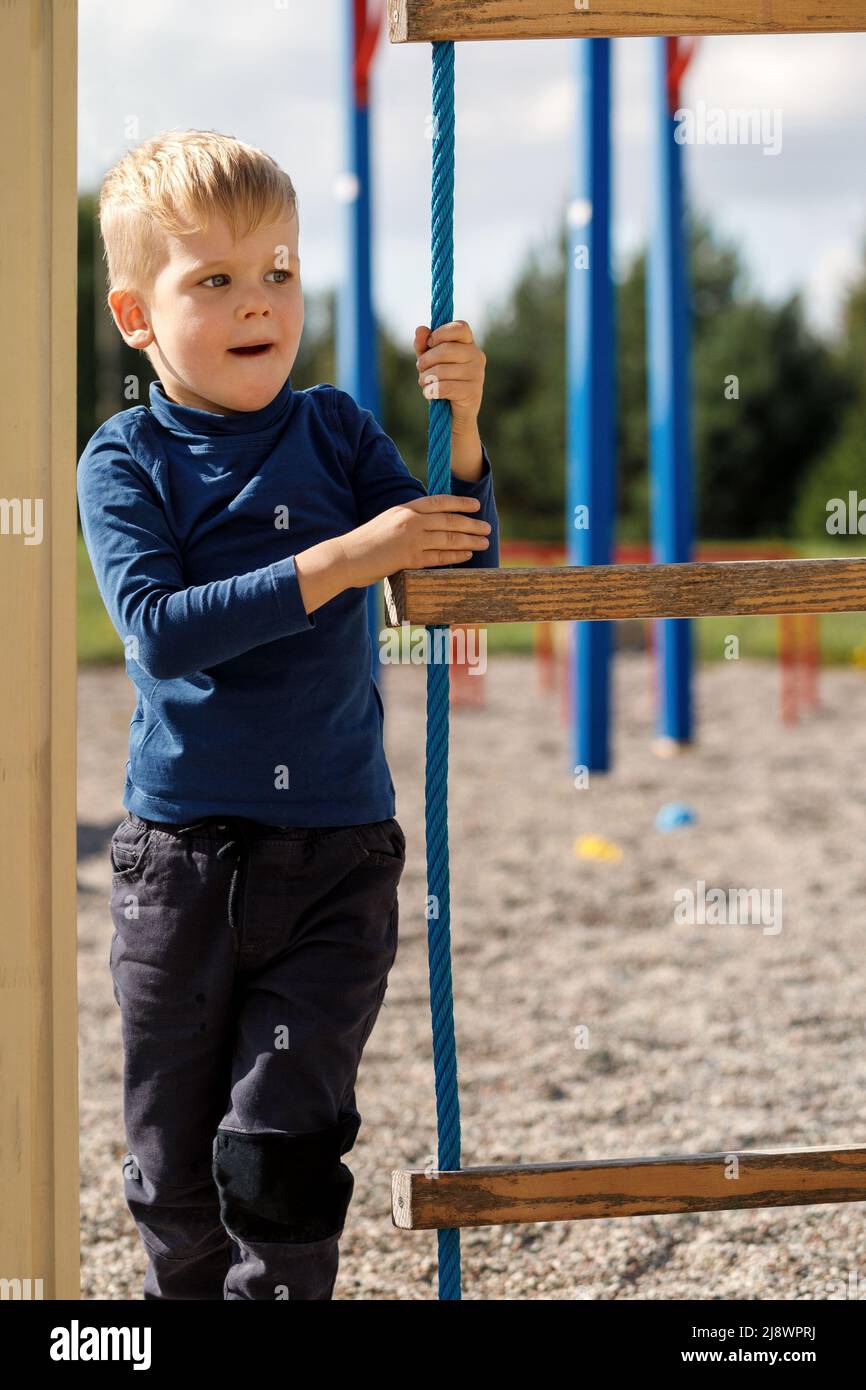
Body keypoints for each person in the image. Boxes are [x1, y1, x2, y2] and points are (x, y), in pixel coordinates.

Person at [77, 129, 500, 1300]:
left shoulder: (335, 431)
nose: (256, 300)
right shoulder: (127, 459)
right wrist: (343, 558)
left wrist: (461, 434)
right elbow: (160, 628)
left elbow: (452, 578)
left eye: (276, 271)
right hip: (182, 860)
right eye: (211, 280)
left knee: (279, 1149)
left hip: (334, 856)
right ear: (136, 316)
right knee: (171, 1164)